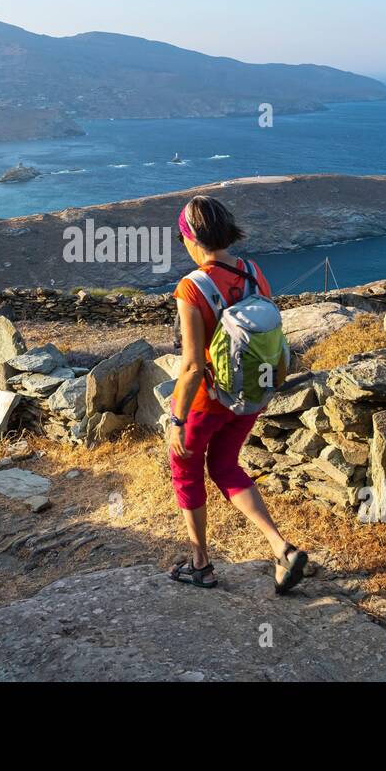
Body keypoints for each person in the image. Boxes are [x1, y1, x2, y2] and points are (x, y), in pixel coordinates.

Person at [166, 195, 308, 593]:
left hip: (206, 402)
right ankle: (280, 548)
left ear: (191, 238)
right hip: (248, 394)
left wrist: (177, 418)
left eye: (183, 239)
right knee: (226, 466)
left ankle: (201, 566)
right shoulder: (252, 271)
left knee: (186, 471)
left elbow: (193, 364)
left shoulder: (191, 288)